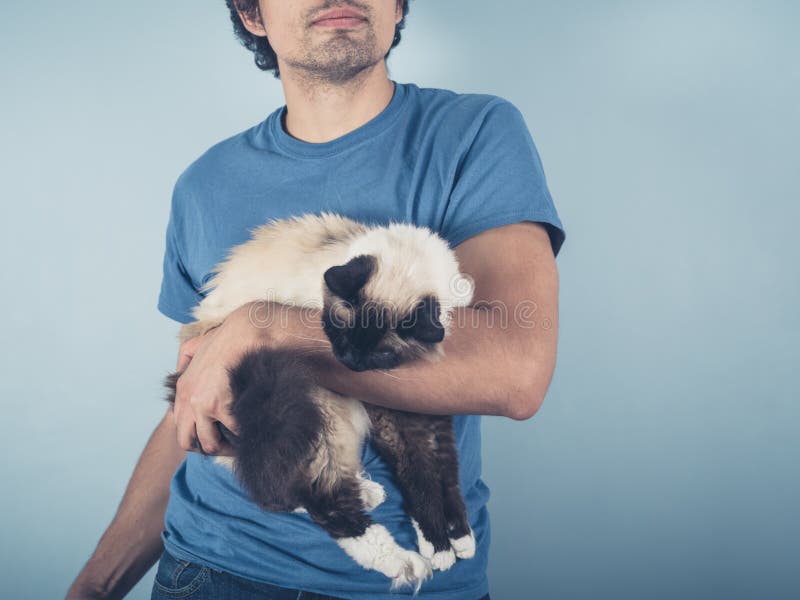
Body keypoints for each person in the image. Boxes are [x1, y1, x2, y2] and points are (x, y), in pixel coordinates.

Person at [67, 1, 566, 599]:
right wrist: (95, 586)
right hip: (209, 569)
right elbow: (199, 404)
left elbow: (517, 373)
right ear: (253, 15)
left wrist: (265, 326)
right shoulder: (204, 185)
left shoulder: (474, 133)